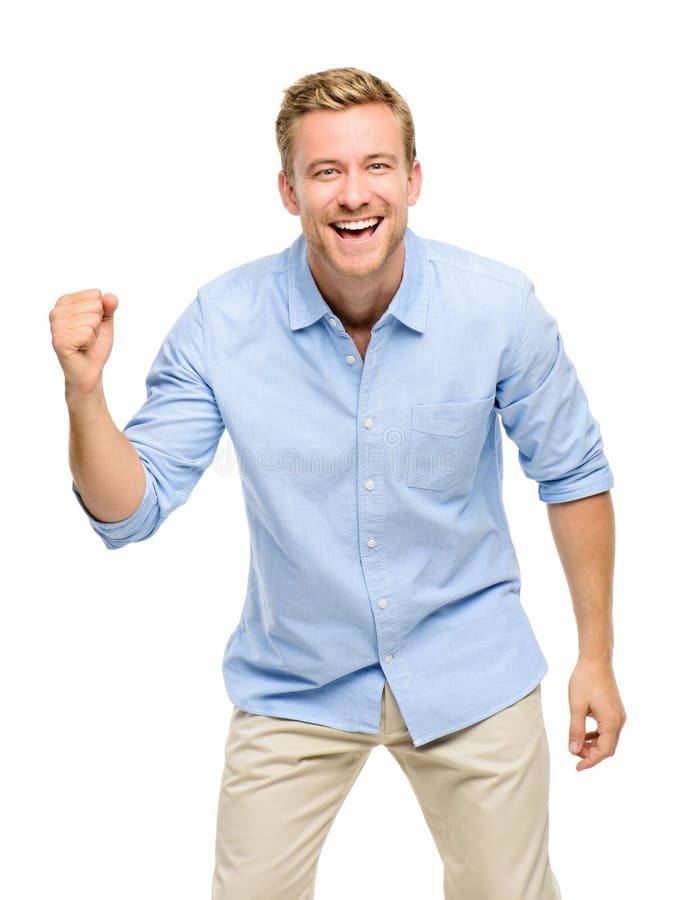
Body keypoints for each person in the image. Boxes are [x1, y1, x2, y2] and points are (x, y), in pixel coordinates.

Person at [49, 67, 626, 900]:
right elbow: (127, 511)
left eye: (376, 166)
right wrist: (83, 394)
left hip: (471, 666)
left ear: (413, 179)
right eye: (325, 172)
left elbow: (572, 475)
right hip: (296, 678)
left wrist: (595, 658)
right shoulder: (223, 322)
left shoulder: (496, 308)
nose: (354, 194)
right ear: (288, 191)